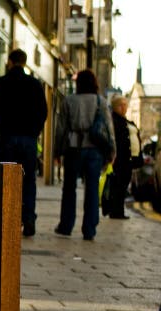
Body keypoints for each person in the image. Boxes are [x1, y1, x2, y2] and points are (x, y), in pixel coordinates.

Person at [0, 49, 48, 237]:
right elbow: (42, 112)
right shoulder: (35, 85)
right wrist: (34, 132)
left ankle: (7, 219)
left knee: (6, 178)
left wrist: (1, 130)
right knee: (29, 179)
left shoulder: (0, 83)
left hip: (7, 138)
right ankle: (28, 218)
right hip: (29, 139)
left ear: (10, 62)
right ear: (25, 62)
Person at [53, 69, 116, 241]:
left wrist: (57, 151)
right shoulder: (100, 101)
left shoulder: (69, 101)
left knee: (69, 188)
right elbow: (109, 129)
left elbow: (61, 129)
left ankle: (66, 225)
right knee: (92, 189)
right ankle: (89, 229)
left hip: (73, 148)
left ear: (78, 83)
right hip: (94, 150)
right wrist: (111, 152)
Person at [106, 95, 141, 219]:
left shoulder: (125, 120)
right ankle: (116, 211)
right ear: (116, 106)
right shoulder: (114, 120)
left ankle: (118, 210)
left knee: (123, 185)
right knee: (118, 185)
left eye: (125, 105)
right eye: (122, 105)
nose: (124, 107)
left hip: (129, 159)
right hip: (120, 159)